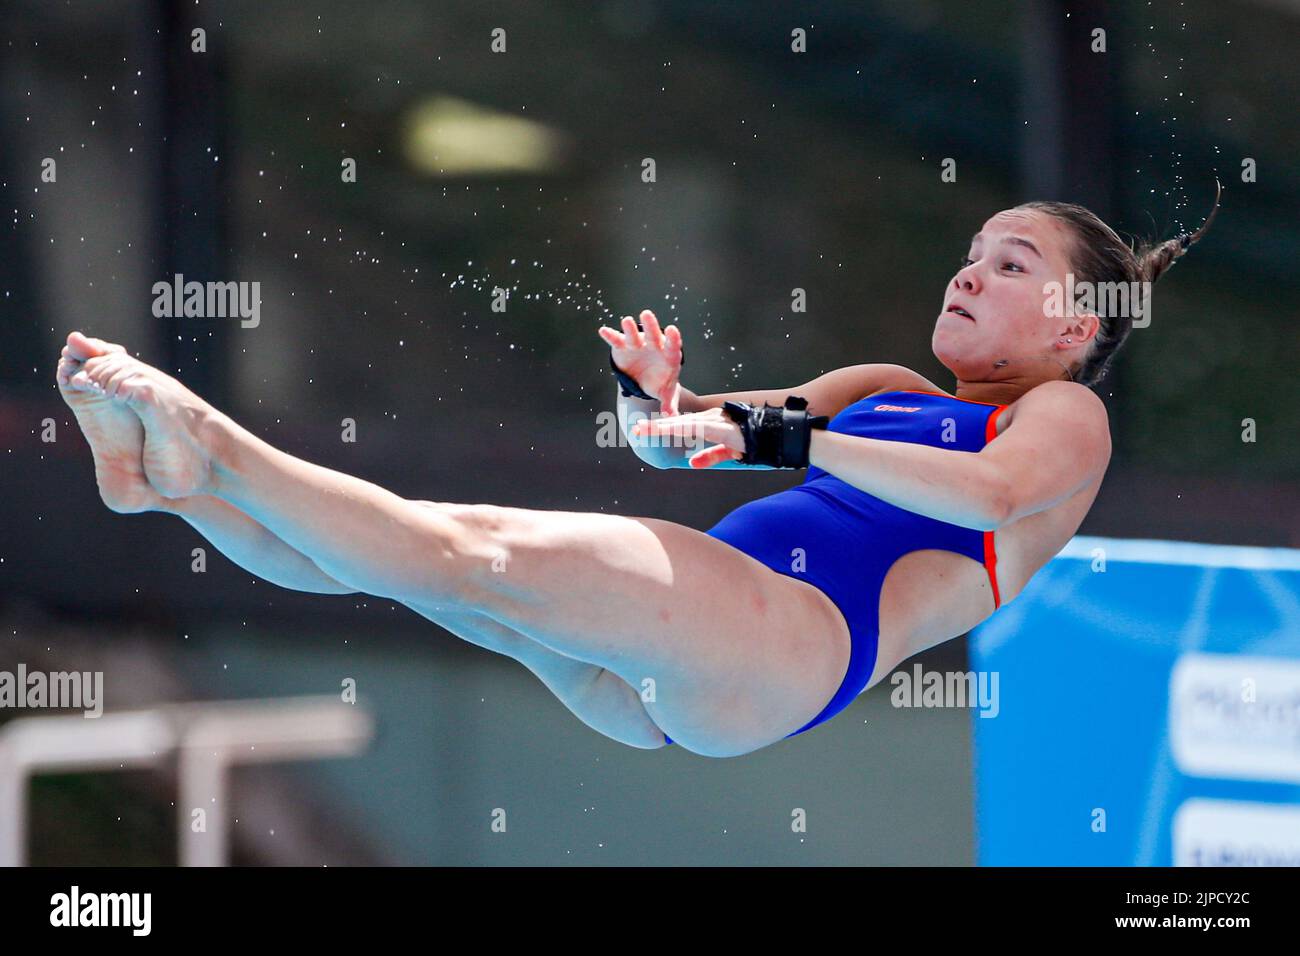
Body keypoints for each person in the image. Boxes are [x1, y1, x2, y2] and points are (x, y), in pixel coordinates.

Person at [56, 196, 1214, 757]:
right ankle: (172, 488)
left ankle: (199, 434)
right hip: (679, 669)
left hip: (784, 640)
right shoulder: (878, 382)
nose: (967, 274)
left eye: (1008, 266)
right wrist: (655, 400)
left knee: (469, 545)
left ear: (1075, 327)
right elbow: (690, 441)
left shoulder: (1065, 418)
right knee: (434, 571)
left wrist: (776, 436)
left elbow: (984, 497)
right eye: (968, 255)